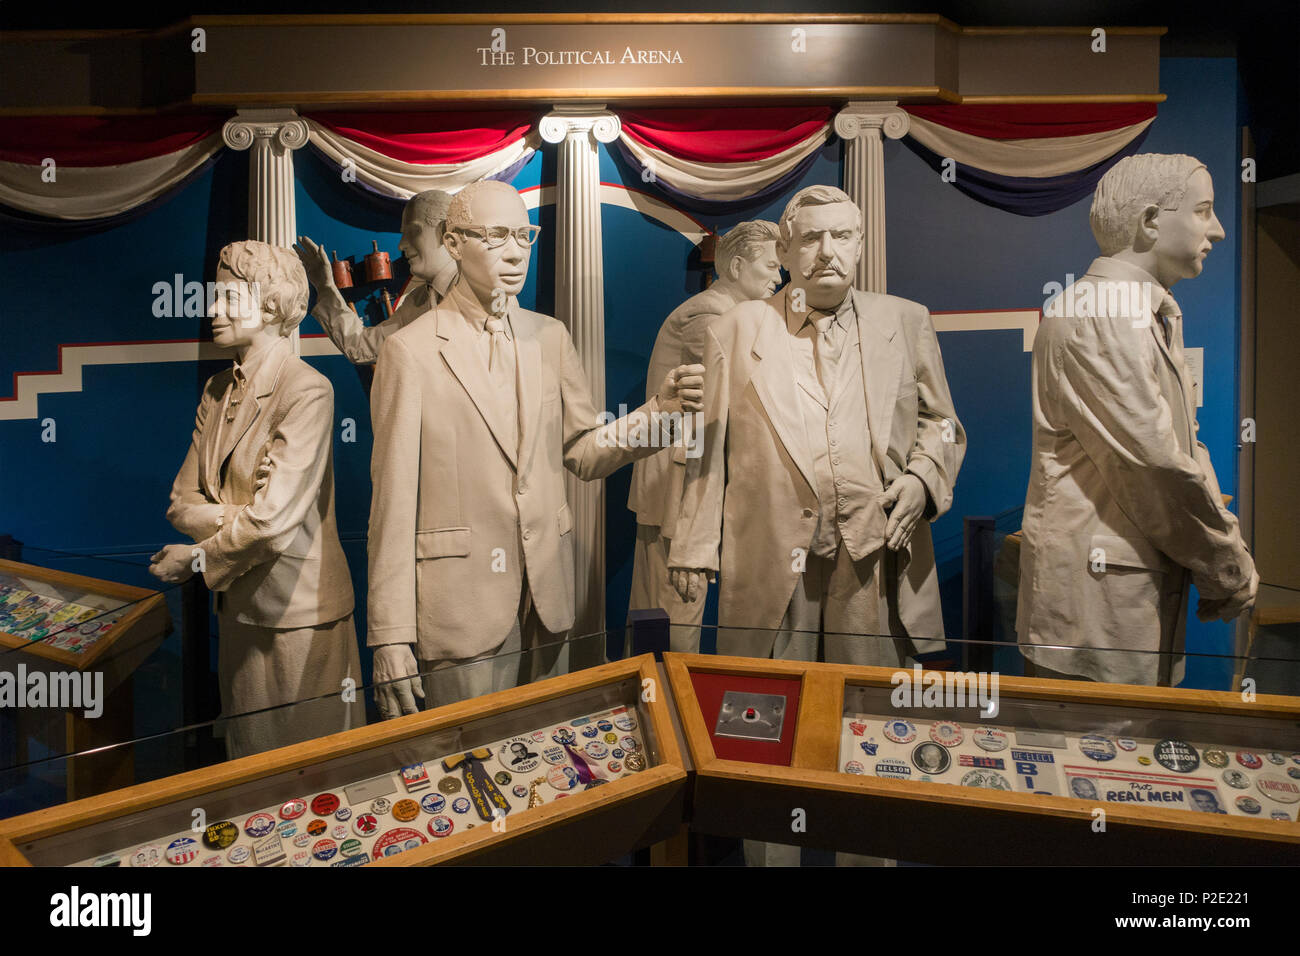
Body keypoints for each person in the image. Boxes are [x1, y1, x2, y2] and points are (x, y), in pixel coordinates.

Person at [668, 184, 966, 867]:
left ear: (860, 243)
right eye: (810, 238)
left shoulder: (905, 320)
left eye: (842, 236)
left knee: (872, 735)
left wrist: (923, 477)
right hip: (772, 561)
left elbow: (943, 423)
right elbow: (705, 450)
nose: (827, 251)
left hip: (876, 562)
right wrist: (694, 546)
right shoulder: (737, 330)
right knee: (768, 734)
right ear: (787, 249)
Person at [367, 180, 704, 719]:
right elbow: (391, 502)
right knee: (465, 761)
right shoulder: (409, 352)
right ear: (453, 243)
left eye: (524, 235)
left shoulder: (548, 336)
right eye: (496, 236)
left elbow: (584, 453)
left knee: (543, 755)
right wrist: (389, 634)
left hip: (547, 596)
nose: (516, 251)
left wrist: (656, 416)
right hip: (460, 606)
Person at [1017, 154, 1258, 687]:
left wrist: (1223, 548)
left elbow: (1180, 449)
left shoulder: (1139, 309)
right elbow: (1153, 465)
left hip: (1120, 594)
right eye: (1202, 211)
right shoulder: (1105, 312)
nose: (1216, 230)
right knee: (1098, 756)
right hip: (1096, 610)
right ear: (1151, 221)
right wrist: (1227, 565)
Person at [151, 240, 363, 758]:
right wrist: (241, 516)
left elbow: (273, 522)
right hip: (240, 611)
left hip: (301, 617)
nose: (211, 309)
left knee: (318, 777)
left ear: (270, 305)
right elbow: (181, 501)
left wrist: (200, 555)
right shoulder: (218, 391)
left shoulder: (306, 389)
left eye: (227, 297)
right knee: (252, 769)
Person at [626, 220, 782, 651]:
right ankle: (669, 703)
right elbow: (735, 396)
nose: (779, 277)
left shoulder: (726, 314)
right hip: (679, 482)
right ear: (735, 265)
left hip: (687, 477)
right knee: (675, 606)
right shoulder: (708, 316)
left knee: (661, 606)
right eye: (771, 265)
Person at [294, 189, 459, 365]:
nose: (402, 245)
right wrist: (325, 286)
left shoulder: (480, 294)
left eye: (413, 231)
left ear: (445, 232)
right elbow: (362, 347)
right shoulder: (418, 301)